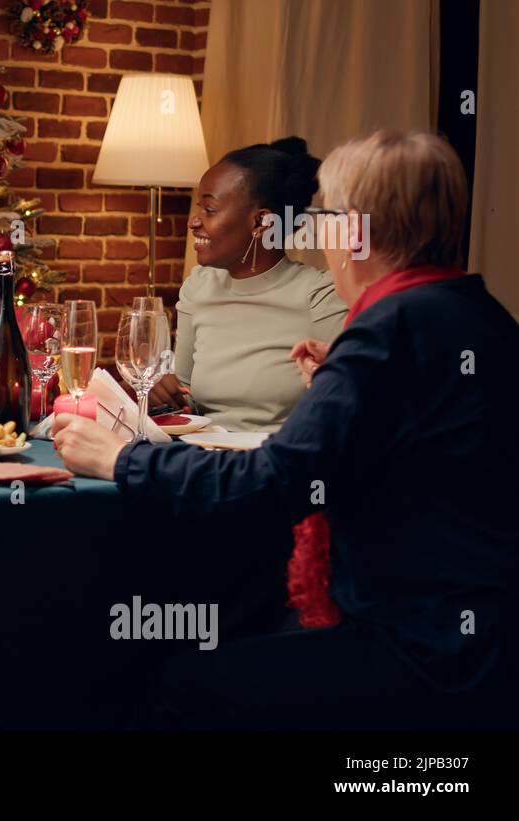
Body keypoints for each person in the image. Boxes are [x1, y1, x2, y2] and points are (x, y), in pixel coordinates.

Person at [53, 130, 518, 730]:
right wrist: (340, 387)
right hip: (488, 635)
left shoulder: (386, 329)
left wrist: (120, 459)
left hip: (431, 652)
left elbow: (274, 482)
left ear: (353, 232)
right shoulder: (478, 313)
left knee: (170, 677)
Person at [149, 137, 348, 432]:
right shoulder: (198, 287)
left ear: (261, 223)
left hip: (275, 464)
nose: (194, 222)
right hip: (202, 455)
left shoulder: (320, 297)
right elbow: (185, 394)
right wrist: (162, 393)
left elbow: (344, 406)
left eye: (209, 210)